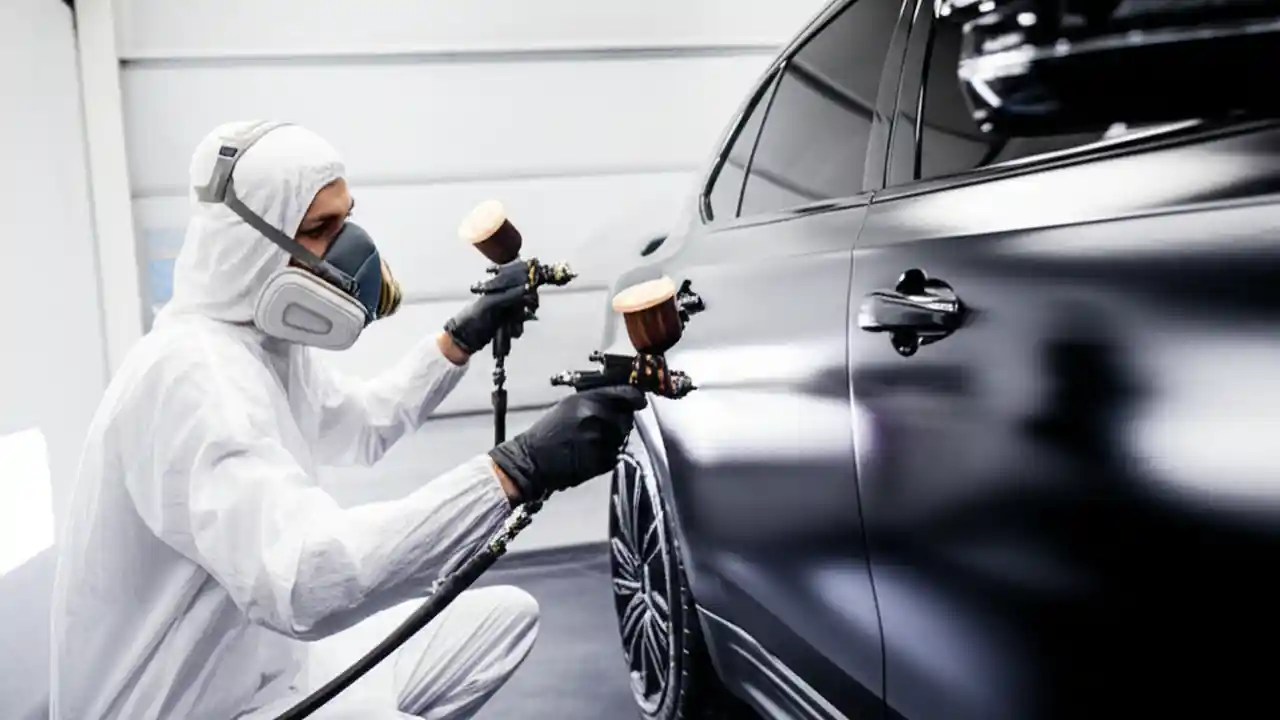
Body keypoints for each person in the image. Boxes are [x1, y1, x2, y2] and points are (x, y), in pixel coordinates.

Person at [48, 120, 646, 720]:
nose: (350, 250)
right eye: (320, 230)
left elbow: (363, 426)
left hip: (271, 673)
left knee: (504, 618)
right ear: (250, 243)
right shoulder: (191, 379)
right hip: (191, 710)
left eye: (346, 220)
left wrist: (462, 337)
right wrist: (515, 470)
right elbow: (306, 581)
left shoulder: (263, 346)